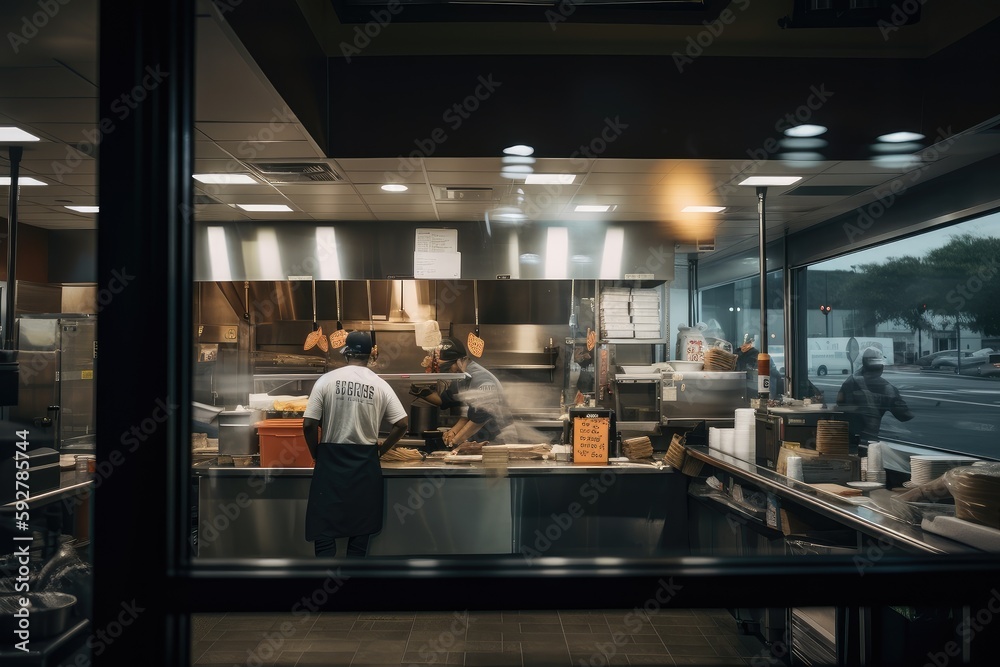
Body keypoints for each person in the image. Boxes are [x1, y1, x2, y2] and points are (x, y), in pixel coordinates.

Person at [302, 331, 408, 557]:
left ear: (346, 353)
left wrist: (317, 453)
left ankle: (322, 581)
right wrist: (382, 450)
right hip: (365, 464)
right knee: (360, 532)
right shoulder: (381, 385)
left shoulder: (326, 380)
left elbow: (309, 424)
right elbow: (402, 423)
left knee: (323, 529)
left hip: (330, 460)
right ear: (370, 356)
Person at [411, 336, 516, 447]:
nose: (448, 372)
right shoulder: (462, 378)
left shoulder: (482, 380)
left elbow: (480, 418)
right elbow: (465, 414)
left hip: (500, 442)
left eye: (448, 368)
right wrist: (453, 432)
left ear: (460, 360)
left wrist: (455, 441)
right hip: (483, 442)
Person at [836, 347, 914, 444]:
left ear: (864, 365)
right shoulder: (887, 388)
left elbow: (839, 403)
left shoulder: (850, 382)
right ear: (881, 367)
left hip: (845, 439)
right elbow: (904, 415)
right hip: (869, 441)